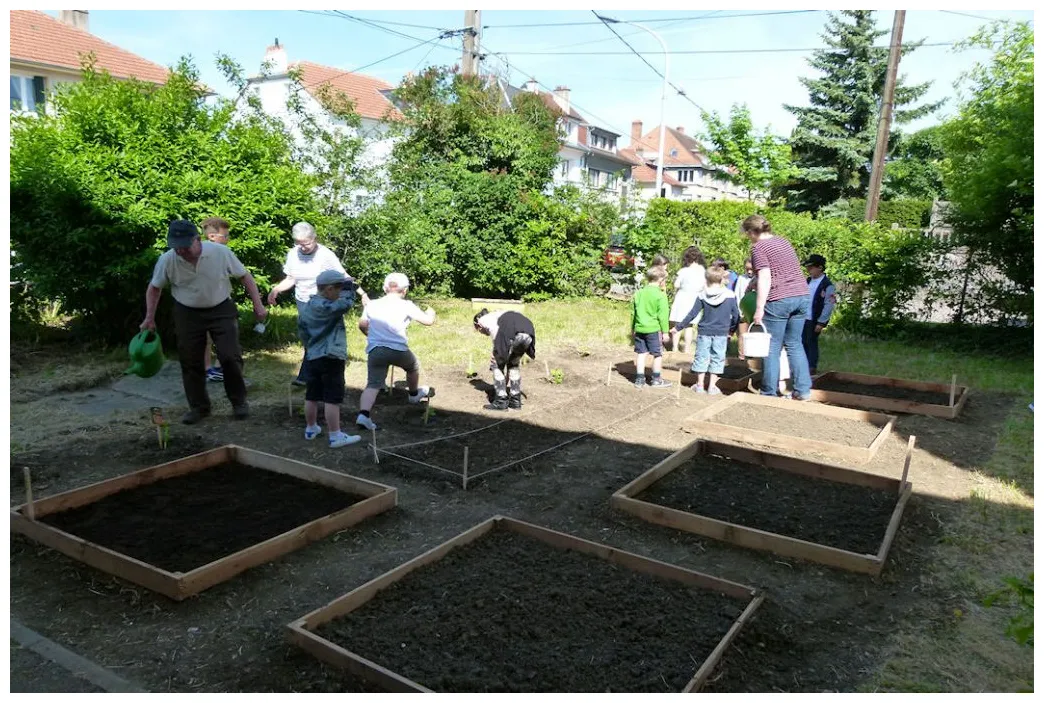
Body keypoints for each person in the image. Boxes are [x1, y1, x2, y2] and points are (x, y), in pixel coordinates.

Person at [140, 220, 267, 424]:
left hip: (221, 307)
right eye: (176, 246)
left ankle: (239, 402)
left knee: (229, 356)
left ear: (197, 240)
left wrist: (258, 305)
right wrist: (149, 317)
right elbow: (154, 288)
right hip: (187, 312)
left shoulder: (219, 253)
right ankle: (199, 408)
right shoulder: (168, 260)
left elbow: (245, 277)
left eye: (185, 245)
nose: (180, 250)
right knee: (191, 360)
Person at [268, 222, 361, 386]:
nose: (303, 247)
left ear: (314, 238)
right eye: (299, 243)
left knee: (317, 338)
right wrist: (276, 289)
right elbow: (291, 279)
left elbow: (343, 276)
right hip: (303, 301)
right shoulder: (292, 254)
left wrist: (362, 293)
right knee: (308, 338)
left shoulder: (326, 255)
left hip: (324, 301)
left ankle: (308, 376)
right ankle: (312, 373)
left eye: (306, 243)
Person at [741, 214, 812, 400]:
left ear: (751, 231)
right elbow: (782, 268)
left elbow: (765, 276)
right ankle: (803, 390)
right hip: (802, 295)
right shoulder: (783, 242)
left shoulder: (758, 247)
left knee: (771, 347)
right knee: (795, 344)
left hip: (779, 299)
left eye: (747, 233)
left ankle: (769, 392)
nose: (748, 237)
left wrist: (759, 308)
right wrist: (754, 280)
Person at [355, 273, 436, 431]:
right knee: (413, 366)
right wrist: (431, 313)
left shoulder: (372, 304)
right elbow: (428, 321)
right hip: (398, 349)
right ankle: (413, 395)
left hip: (375, 350)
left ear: (385, 288)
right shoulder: (406, 305)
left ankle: (363, 415)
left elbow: (362, 324)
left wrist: (371, 336)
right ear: (404, 290)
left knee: (372, 384)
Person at [297, 270, 363, 448]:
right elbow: (346, 305)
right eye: (339, 289)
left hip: (312, 356)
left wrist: (309, 347)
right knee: (332, 397)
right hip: (331, 356)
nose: (341, 292)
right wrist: (350, 290)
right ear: (329, 289)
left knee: (312, 394)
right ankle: (335, 436)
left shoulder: (308, 305)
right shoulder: (328, 307)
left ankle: (311, 429)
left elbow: (302, 332)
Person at [670, 266, 741, 395]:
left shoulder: (702, 295)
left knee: (701, 357)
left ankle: (700, 385)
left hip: (704, 332)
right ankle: (712, 387)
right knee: (717, 358)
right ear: (722, 279)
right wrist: (731, 330)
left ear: (707, 280)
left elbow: (692, 314)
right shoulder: (730, 295)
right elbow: (736, 315)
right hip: (721, 333)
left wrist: (678, 327)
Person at [473, 308, 536, 411]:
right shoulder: (496, 315)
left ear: (478, 326)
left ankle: (501, 401)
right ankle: (515, 401)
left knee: (496, 365)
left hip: (515, 333)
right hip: (528, 332)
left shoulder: (484, 320)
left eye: (479, 331)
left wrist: (496, 356)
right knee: (513, 365)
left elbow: (498, 337)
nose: (483, 334)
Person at [631, 265, 672, 389]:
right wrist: (665, 332)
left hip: (640, 328)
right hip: (653, 329)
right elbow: (663, 315)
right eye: (664, 279)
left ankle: (639, 379)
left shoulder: (639, 293)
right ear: (660, 280)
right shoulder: (660, 295)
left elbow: (633, 312)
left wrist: (632, 328)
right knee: (657, 354)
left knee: (641, 353)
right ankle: (656, 379)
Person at [201, 217, 231, 383]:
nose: (227, 239)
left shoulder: (219, 253)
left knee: (213, 338)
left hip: (219, 299)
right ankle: (212, 369)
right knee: (214, 337)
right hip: (210, 302)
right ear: (212, 236)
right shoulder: (208, 252)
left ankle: (214, 368)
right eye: (225, 236)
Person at [801, 254, 837, 376]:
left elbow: (829, 304)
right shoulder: (808, 281)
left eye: (811, 267)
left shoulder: (827, 285)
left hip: (814, 319)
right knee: (802, 341)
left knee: (811, 342)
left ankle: (812, 366)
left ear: (820, 268)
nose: (808, 270)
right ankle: (803, 364)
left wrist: (821, 322)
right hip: (803, 317)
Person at [668, 246, 707, 354]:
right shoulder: (702, 271)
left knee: (678, 324)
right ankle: (687, 349)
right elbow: (704, 286)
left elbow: (676, 285)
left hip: (682, 298)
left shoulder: (684, 271)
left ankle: (675, 348)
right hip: (695, 299)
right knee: (690, 326)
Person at [735, 258, 755, 358]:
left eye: (751, 269)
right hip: (743, 312)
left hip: (756, 313)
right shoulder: (741, 279)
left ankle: (754, 358)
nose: (749, 271)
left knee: (755, 335)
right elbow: (737, 295)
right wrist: (740, 311)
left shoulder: (760, 278)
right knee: (742, 335)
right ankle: (741, 357)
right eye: (747, 269)